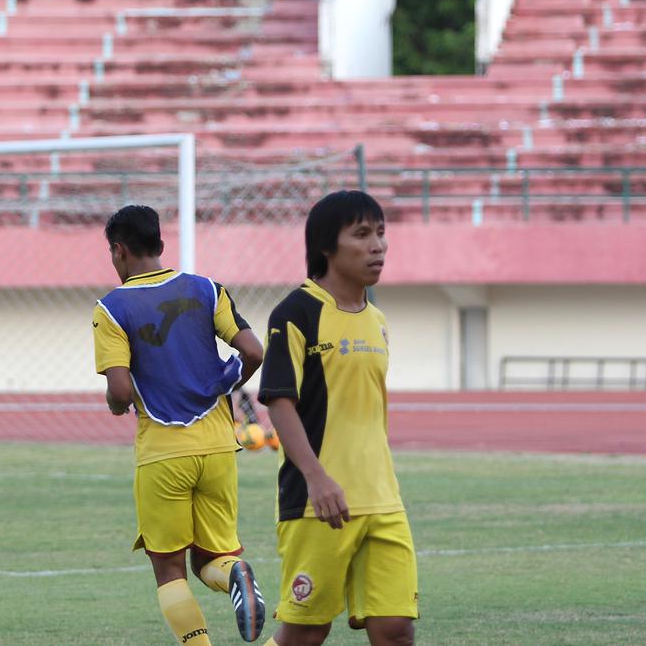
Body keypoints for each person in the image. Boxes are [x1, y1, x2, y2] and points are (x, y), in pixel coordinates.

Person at [92, 204, 267, 644]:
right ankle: (235, 573)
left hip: (163, 452)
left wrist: (115, 406)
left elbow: (121, 392)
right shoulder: (207, 289)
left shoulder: (111, 309)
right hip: (219, 446)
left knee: (169, 569)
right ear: (160, 243)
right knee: (212, 558)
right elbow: (254, 351)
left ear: (118, 250)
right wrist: (226, 382)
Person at [258, 190, 418, 646]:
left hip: (382, 498)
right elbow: (279, 402)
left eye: (381, 233)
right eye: (362, 234)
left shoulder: (378, 320)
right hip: (317, 501)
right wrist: (316, 477)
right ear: (327, 246)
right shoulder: (295, 313)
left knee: (396, 630)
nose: (378, 245)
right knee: (306, 633)